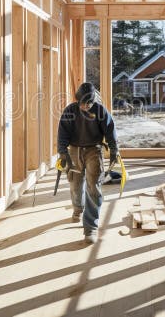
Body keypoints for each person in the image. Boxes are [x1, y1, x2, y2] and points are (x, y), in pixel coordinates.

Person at [57, 83, 121, 244]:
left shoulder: (100, 111)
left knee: (94, 187)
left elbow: (110, 130)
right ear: (77, 100)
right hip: (74, 151)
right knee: (75, 183)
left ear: (93, 101)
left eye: (89, 103)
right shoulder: (70, 111)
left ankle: (90, 226)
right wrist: (63, 152)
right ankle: (78, 208)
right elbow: (62, 132)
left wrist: (114, 150)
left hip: (94, 150)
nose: (86, 106)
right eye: (82, 103)